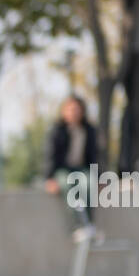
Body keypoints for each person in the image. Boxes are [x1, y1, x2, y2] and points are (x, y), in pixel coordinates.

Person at [43, 95, 99, 237]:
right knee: (67, 186)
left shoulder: (89, 130)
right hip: (62, 170)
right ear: (64, 112)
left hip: (82, 169)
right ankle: (77, 225)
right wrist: (49, 178)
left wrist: (99, 177)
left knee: (89, 184)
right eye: (70, 109)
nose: (74, 112)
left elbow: (95, 156)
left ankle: (89, 223)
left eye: (76, 109)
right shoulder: (57, 131)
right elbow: (50, 155)